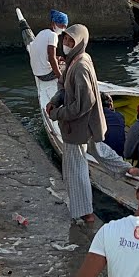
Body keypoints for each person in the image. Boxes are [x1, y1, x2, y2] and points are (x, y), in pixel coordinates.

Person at [46, 23, 108, 224]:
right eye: (65, 39)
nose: (66, 43)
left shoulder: (80, 66)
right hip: (79, 128)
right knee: (77, 166)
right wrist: (55, 100)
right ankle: (82, 209)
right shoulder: (77, 60)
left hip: (77, 128)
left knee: (76, 170)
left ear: (80, 42)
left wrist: (58, 113)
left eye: (71, 41)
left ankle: (86, 212)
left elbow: (84, 102)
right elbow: (64, 87)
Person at [30, 9, 68, 84]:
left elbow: (46, 55)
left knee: (61, 61)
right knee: (69, 66)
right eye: (61, 25)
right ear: (53, 23)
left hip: (37, 73)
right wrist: (60, 77)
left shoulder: (42, 32)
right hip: (46, 75)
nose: (63, 29)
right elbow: (51, 58)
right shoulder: (53, 35)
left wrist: (59, 58)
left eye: (65, 26)